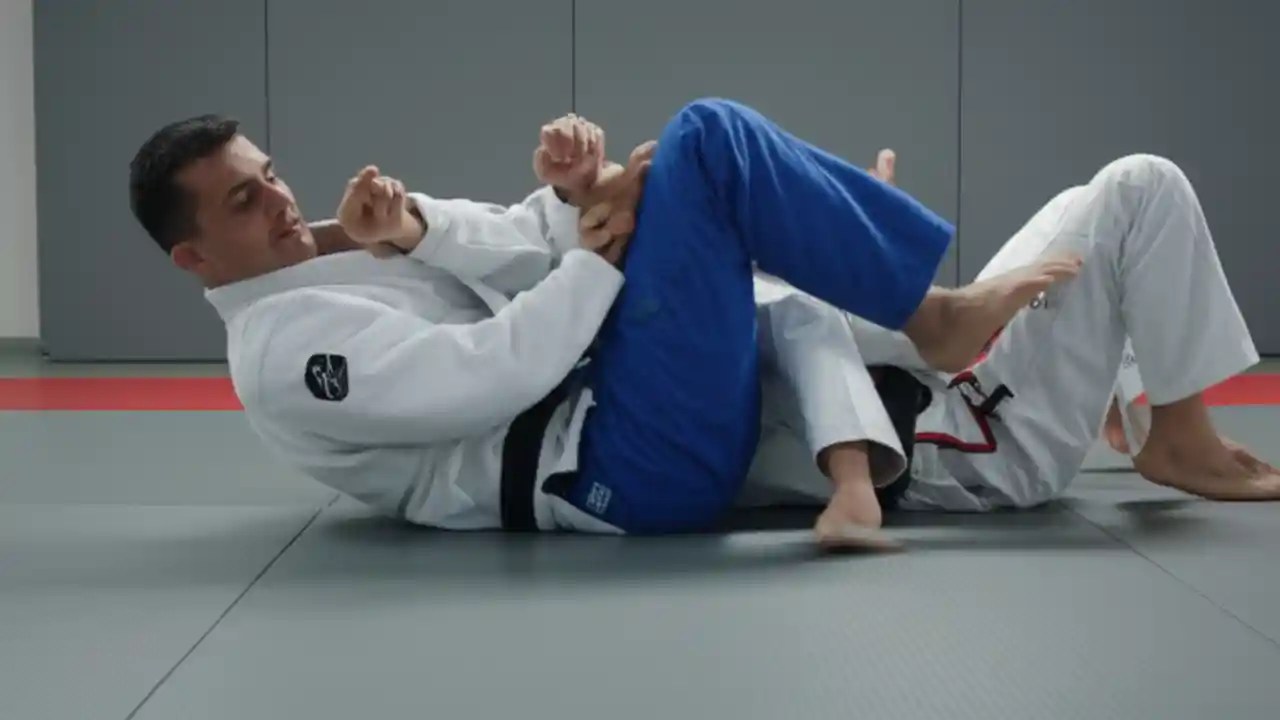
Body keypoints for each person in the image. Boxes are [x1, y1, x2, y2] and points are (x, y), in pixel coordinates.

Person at [126, 98, 1078, 540]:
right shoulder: (283, 354)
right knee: (703, 147)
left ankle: (926, 313)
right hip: (613, 474)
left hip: (619, 404)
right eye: (243, 203)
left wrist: (449, 222)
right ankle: (929, 313)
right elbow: (492, 373)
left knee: (684, 159)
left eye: (270, 177)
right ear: (194, 256)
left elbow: (514, 244)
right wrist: (596, 243)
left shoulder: (340, 246)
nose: (278, 201)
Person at [741, 148, 1280, 540]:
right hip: (975, 443)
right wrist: (874, 274)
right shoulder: (713, 311)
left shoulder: (700, 298)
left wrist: (859, 259)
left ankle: (1133, 399)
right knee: (1142, 187)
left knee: (1083, 205)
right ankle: (1180, 441)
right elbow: (912, 341)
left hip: (949, 390)